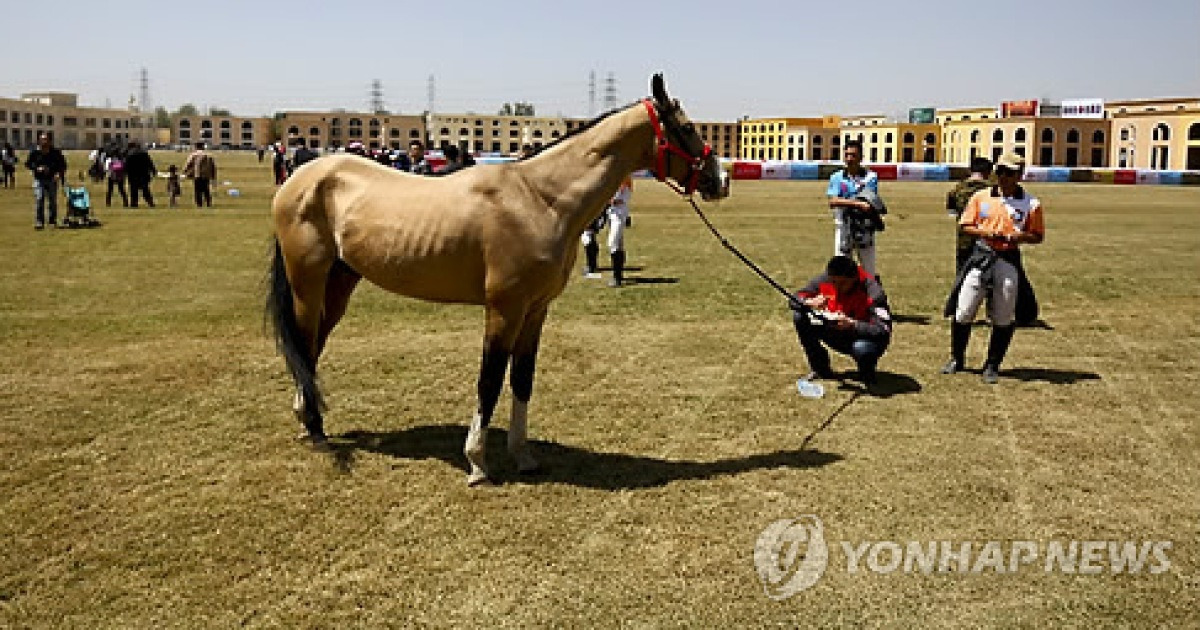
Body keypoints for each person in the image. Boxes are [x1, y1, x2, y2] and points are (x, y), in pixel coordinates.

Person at [941, 153, 1045, 384]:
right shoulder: (981, 197)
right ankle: (957, 359)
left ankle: (992, 364)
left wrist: (1018, 237)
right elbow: (965, 224)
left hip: (1007, 259)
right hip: (981, 256)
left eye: (1009, 173)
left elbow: (1038, 236)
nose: (1003, 177)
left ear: (1020, 175)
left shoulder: (1031, 204)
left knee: (1003, 313)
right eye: (1000, 172)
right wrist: (987, 233)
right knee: (964, 308)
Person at [791, 255, 892, 385]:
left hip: (862, 338)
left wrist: (853, 324)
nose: (837, 287)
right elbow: (795, 298)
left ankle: (867, 373)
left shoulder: (873, 292)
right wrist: (808, 301)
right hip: (835, 330)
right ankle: (820, 369)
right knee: (799, 316)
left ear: (855, 278)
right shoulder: (824, 280)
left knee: (861, 348)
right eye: (833, 282)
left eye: (843, 283)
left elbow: (883, 329)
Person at [826, 139, 883, 281]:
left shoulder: (871, 177)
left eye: (853, 155)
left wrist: (847, 202)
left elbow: (868, 200)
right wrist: (857, 204)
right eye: (847, 155)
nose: (849, 159)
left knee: (868, 270)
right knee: (841, 269)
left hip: (864, 227)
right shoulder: (837, 177)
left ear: (860, 157)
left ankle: (871, 299)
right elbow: (833, 201)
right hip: (843, 227)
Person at [581, 175, 634, 288]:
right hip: (600, 205)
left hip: (616, 208)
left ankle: (617, 276)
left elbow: (625, 192)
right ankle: (591, 265)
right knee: (587, 234)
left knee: (613, 242)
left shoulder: (622, 173)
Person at [946, 156, 993, 273]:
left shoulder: (957, 189)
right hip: (985, 238)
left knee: (962, 274)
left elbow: (951, 210)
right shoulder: (991, 190)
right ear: (988, 172)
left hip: (963, 238)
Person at [25, 133, 67, 229]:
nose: (44, 142)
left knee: (52, 201)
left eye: (46, 140)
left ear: (50, 141)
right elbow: (28, 164)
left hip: (52, 179)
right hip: (39, 180)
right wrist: (36, 168)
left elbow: (63, 165)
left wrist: (58, 174)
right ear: (39, 141)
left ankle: (52, 221)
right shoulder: (35, 152)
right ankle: (39, 222)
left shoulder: (56, 153)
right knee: (39, 199)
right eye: (42, 140)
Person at [123, 141, 158, 208]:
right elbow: (150, 163)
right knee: (145, 190)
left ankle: (134, 203)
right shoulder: (144, 154)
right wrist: (153, 171)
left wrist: (124, 174)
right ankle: (150, 202)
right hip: (144, 175)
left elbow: (126, 166)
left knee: (133, 190)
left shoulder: (130, 154)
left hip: (133, 176)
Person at [182, 141, 216, 207]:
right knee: (206, 189)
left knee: (197, 190)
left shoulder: (194, 155)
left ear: (196, 147)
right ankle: (208, 202)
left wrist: (184, 171)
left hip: (197, 175)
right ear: (203, 146)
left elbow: (188, 164)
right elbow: (213, 166)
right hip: (206, 175)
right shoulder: (208, 155)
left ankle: (199, 204)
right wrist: (213, 176)